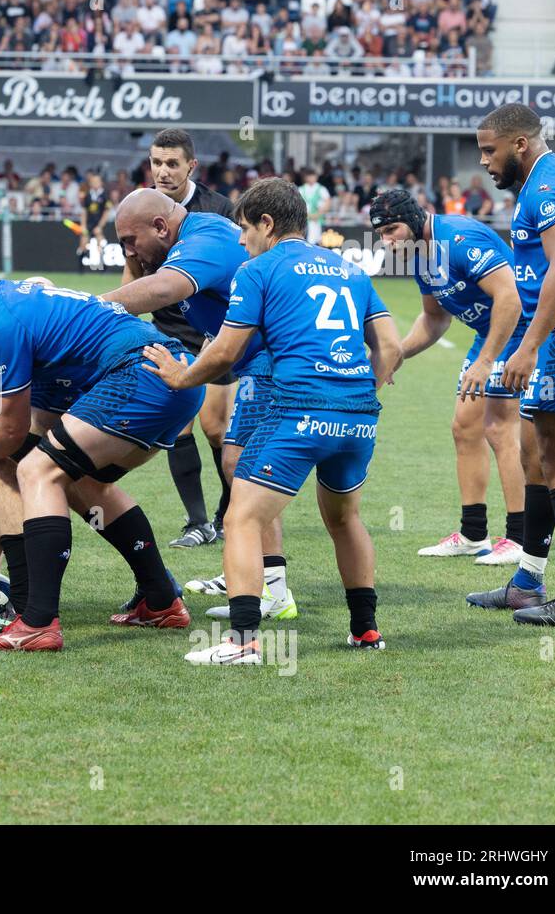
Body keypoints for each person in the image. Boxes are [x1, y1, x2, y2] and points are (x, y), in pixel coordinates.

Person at [144, 177, 402, 664]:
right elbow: (389, 347)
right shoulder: (351, 270)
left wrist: (181, 378)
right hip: (359, 418)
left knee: (241, 516)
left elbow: (225, 351)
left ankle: (243, 642)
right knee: (346, 521)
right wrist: (361, 389)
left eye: (245, 229)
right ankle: (366, 631)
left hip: (298, 408)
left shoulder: (258, 270)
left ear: (267, 223)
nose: (241, 241)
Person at [0, 247, 205, 650]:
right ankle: (160, 599)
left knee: (37, 471)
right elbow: (39, 423)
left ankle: (37, 622)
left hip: (143, 374)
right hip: (168, 374)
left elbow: (12, 430)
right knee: (75, 480)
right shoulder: (17, 305)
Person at [106, 188, 298, 622]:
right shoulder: (195, 238)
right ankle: (253, 575)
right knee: (238, 464)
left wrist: (78, 307)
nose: (129, 253)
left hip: (272, 364)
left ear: (161, 226)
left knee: (248, 470)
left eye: (130, 241)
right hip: (261, 364)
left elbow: (160, 289)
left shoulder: (201, 240)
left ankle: (270, 589)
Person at [468, 104, 555, 625]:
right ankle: (527, 580)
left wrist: (527, 346)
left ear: (520, 143)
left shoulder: (548, 189)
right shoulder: (551, 177)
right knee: (531, 454)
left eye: (489, 150)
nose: (483, 161)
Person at [369, 188, 526, 565]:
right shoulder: (418, 255)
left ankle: (521, 538)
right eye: (380, 235)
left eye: (392, 230)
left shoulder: (458, 238)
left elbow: (511, 299)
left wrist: (486, 361)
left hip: (519, 330)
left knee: (499, 429)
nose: (387, 241)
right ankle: (474, 534)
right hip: (488, 336)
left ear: (412, 220)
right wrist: (398, 354)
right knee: (465, 428)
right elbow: (435, 318)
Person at [130, 128, 237, 546]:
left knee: (215, 427)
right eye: (156, 162)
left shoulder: (218, 210)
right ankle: (198, 524)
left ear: (191, 166)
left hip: (216, 332)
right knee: (179, 428)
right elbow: (136, 275)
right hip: (167, 332)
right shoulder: (140, 208)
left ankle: (229, 512)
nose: (163, 171)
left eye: (172, 163)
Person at [298, 168, 330, 243]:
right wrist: (307, 215)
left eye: (313, 176)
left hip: (318, 219)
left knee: (320, 241)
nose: (312, 178)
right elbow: (297, 205)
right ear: (306, 178)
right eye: (310, 176)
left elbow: (328, 203)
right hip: (306, 220)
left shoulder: (321, 189)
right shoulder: (301, 189)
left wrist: (318, 214)